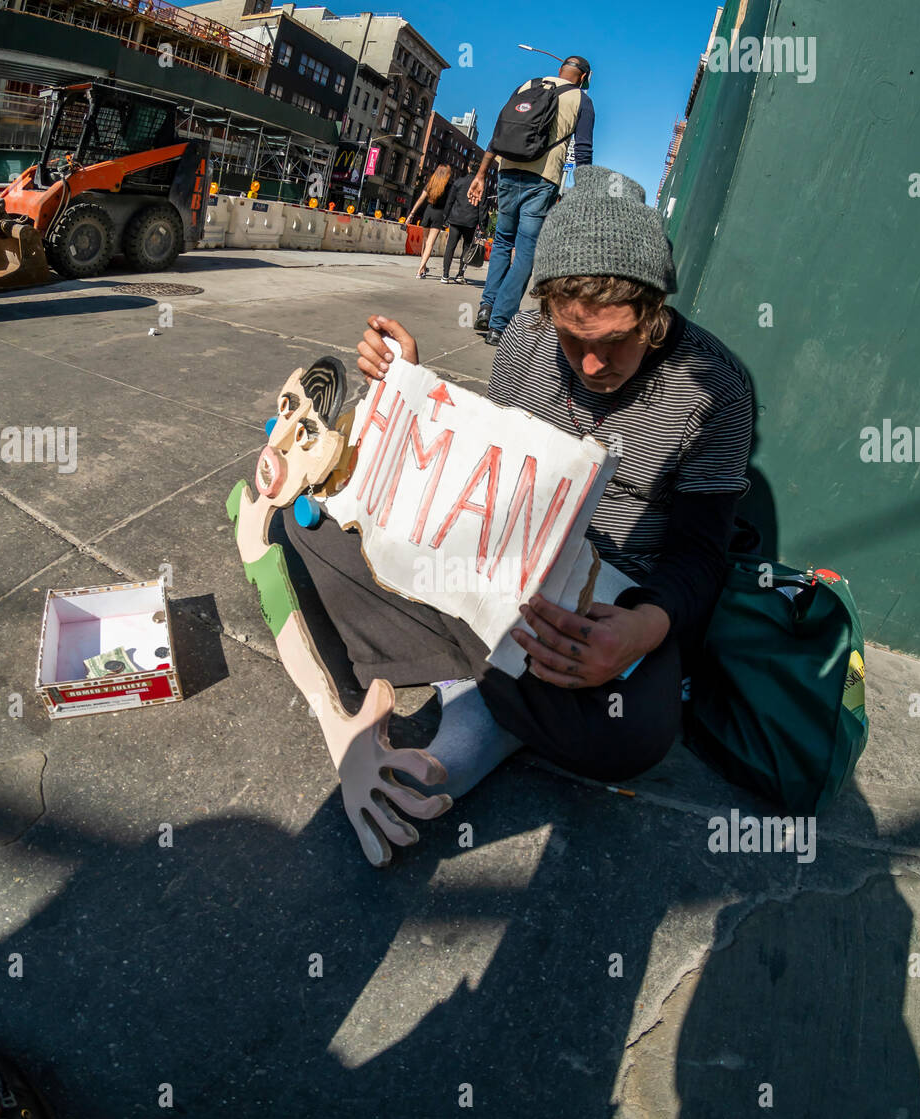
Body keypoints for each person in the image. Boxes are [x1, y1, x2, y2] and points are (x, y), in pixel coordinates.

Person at [281, 166, 753, 818]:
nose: (592, 366)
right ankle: (484, 693)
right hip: (490, 568)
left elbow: (701, 557)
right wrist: (416, 392)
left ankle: (475, 690)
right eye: (573, 338)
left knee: (638, 728)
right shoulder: (525, 339)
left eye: (616, 342)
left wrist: (642, 629)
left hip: (600, 600)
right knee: (303, 530)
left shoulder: (716, 389)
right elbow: (482, 463)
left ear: (656, 310)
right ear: (547, 310)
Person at [467, 55, 595, 346]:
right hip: (543, 178)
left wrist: (481, 173)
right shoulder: (581, 100)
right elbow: (584, 150)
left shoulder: (528, 84)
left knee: (501, 242)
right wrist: (585, 192)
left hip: (508, 171)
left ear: (561, 68)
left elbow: (500, 132)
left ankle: (487, 308)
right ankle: (499, 325)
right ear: (585, 77)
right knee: (525, 253)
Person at [405, 165, 453, 278]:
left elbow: (421, 199)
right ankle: (420, 270)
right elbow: (449, 204)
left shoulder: (430, 184)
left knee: (425, 243)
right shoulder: (449, 187)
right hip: (439, 215)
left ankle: (423, 268)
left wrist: (411, 214)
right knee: (430, 244)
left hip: (428, 212)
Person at [439, 172, 483, 284]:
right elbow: (483, 206)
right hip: (471, 221)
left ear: (468, 168)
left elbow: (450, 201)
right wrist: (482, 224)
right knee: (467, 248)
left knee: (450, 247)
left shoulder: (459, 181)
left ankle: (445, 275)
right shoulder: (481, 185)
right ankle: (460, 275)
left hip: (455, 219)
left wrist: (445, 217)